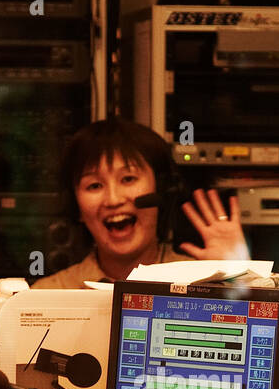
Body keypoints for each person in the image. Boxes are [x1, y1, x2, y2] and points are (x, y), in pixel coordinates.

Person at [33, 119, 249, 289]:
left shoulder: (202, 283)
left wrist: (238, 280)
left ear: (161, 191)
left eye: (128, 179)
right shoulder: (47, 296)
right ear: (76, 206)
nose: (114, 200)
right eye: (95, 186)